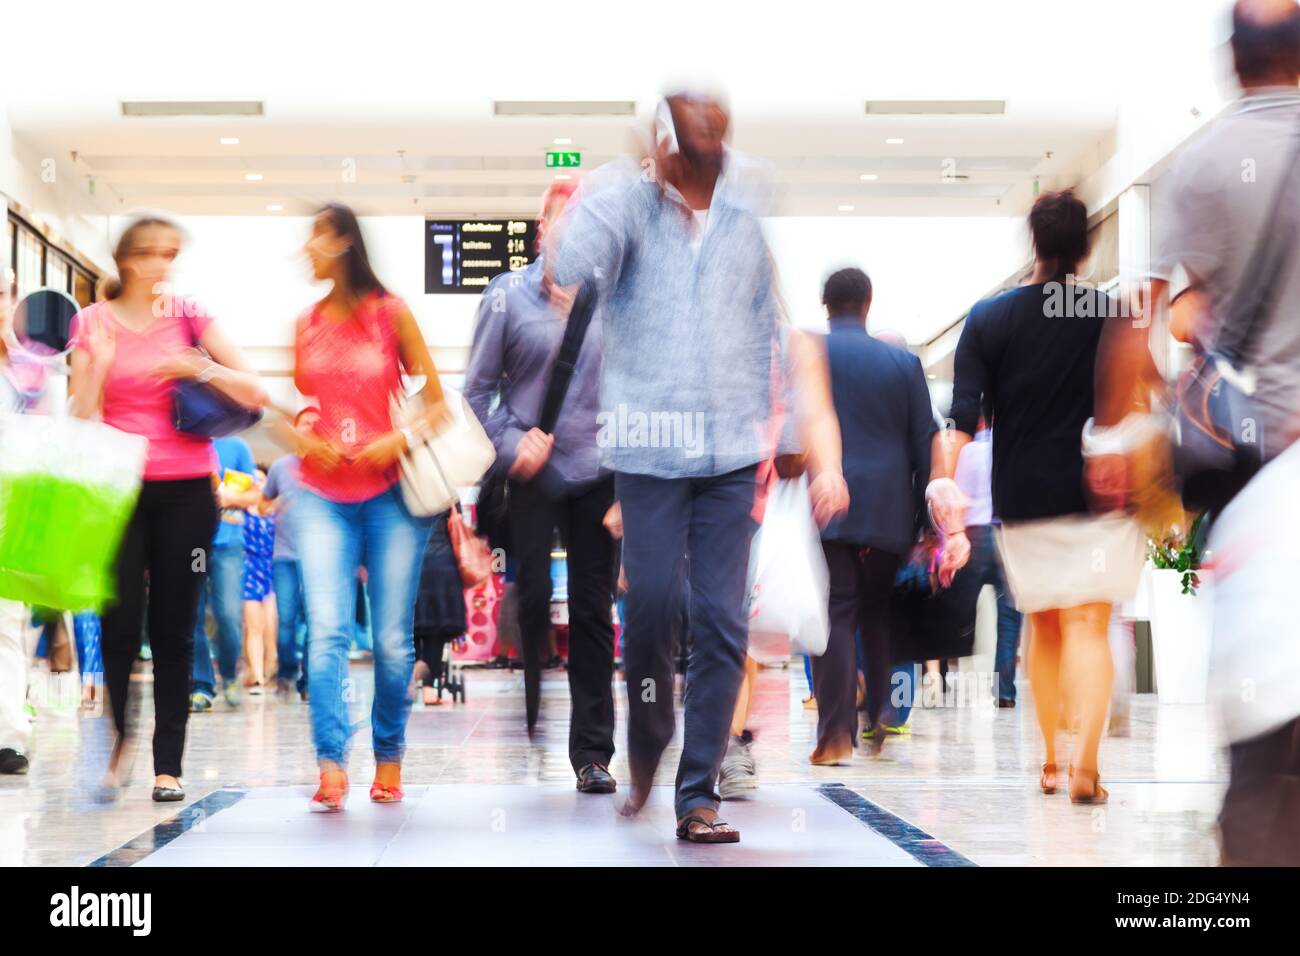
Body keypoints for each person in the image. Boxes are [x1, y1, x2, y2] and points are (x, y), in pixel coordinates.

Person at [552, 91, 847, 842]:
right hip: (649, 447)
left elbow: (763, 325)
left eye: (717, 132)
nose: (708, 147)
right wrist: (622, 177)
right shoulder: (626, 209)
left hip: (727, 453)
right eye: (692, 134)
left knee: (721, 621)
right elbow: (569, 262)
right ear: (668, 145)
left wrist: (792, 433)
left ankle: (699, 793)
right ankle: (648, 736)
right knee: (651, 603)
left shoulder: (745, 222)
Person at [1141, 0, 1300, 863]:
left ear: (1233, 64)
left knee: (1259, 736)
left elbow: (1161, 318)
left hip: (1256, 472)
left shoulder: (1204, 163)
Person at [933, 189, 1146, 805]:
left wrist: (943, 482)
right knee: (1090, 623)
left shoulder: (989, 318)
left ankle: (1051, 762)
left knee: (1045, 629)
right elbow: (1138, 400)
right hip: (1100, 494)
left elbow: (963, 417)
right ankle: (1087, 766)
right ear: (1086, 247)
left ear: (1034, 242)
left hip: (1023, 494)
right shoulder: (1110, 315)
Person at [69, 214, 267, 802]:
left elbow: (255, 390)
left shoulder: (188, 316)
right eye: (152, 253)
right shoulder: (91, 323)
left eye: (170, 253)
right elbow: (78, 418)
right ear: (127, 258)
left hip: (186, 491)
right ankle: (119, 743)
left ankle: (168, 764)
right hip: (117, 489)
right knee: (120, 623)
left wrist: (198, 366)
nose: (162, 264)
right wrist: (99, 369)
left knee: (176, 627)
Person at [291, 203, 449, 813]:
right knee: (327, 630)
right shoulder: (304, 324)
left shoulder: (391, 314)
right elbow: (307, 402)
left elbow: (437, 403)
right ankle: (331, 764)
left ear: (341, 243)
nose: (305, 250)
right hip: (320, 495)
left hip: (390, 496)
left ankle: (389, 757)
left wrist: (396, 438)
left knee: (389, 638)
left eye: (313, 239)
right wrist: (304, 435)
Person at [464, 179, 620, 794]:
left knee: (591, 608)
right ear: (542, 228)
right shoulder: (506, 297)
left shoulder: (615, 303)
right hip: (531, 474)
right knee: (529, 601)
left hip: (598, 474)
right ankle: (530, 708)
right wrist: (511, 442)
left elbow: (639, 393)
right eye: (565, 223)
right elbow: (476, 395)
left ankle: (592, 752)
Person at [812, 268, 935, 764]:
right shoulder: (903, 363)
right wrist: (927, 518)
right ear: (867, 302)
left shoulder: (811, 357)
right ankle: (882, 712)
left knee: (836, 612)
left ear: (826, 305)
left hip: (827, 500)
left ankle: (836, 730)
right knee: (878, 612)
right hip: (889, 508)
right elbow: (922, 439)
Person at [952, 419, 1024, 707]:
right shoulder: (1015, 444)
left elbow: (959, 496)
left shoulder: (969, 451)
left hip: (975, 537)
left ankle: (960, 681)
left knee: (963, 613)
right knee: (1009, 620)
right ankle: (1004, 691)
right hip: (1007, 535)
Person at [190, 434, 258, 712]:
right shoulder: (188, 441)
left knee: (229, 615)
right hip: (193, 546)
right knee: (192, 614)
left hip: (228, 544)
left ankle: (229, 672)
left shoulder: (237, 445)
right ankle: (201, 685)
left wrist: (230, 497)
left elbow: (255, 494)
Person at [263, 406, 319, 700]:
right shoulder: (280, 467)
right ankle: (286, 672)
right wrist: (275, 505)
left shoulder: (328, 467)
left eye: (315, 423)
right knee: (286, 620)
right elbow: (262, 504)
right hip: (284, 555)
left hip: (318, 557)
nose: (310, 426)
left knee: (314, 620)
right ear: (295, 429)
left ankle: (308, 682)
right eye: (305, 422)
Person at [240, 467, 277, 694]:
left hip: (271, 571)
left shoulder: (274, 510)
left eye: (262, 480)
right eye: (255, 480)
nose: (259, 483)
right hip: (248, 571)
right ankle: (257, 677)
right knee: (253, 626)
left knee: (271, 630)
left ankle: (265, 670)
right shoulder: (240, 512)